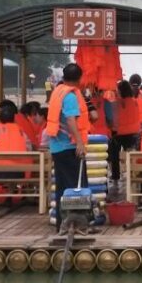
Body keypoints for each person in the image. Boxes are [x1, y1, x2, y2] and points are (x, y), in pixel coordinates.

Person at [46, 63, 89, 231]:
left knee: (63, 188)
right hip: (68, 146)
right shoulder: (70, 96)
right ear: (79, 79)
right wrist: (79, 142)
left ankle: (61, 225)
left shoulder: (58, 91)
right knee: (76, 189)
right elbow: (71, 120)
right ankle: (74, 225)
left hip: (57, 147)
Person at [109, 80, 141, 185]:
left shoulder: (115, 103)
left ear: (120, 91)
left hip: (118, 133)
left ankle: (115, 177)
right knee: (131, 155)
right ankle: (134, 173)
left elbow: (112, 118)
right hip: (133, 133)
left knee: (114, 155)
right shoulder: (136, 101)